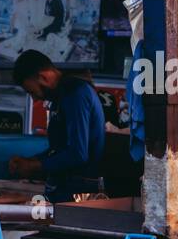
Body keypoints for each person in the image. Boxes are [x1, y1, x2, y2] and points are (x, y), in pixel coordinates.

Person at [7, 49, 106, 201]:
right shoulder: (61, 95)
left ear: (43, 77)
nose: (35, 100)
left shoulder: (76, 94)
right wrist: (30, 161)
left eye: (32, 92)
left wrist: (35, 166)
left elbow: (78, 154)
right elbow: (59, 149)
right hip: (62, 187)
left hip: (79, 192)